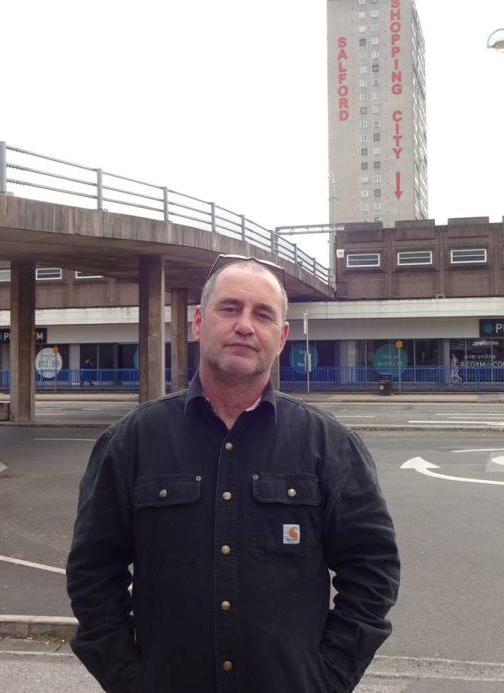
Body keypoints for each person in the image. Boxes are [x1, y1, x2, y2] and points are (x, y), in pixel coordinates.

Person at [67, 256, 400, 693]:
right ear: (198, 323)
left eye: (262, 314)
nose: (245, 325)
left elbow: (373, 570)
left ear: (280, 338)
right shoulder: (130, 442)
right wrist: (129, 679)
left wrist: (328, 677)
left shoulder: (330, 445)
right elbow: (93, 572)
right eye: (230, 308)